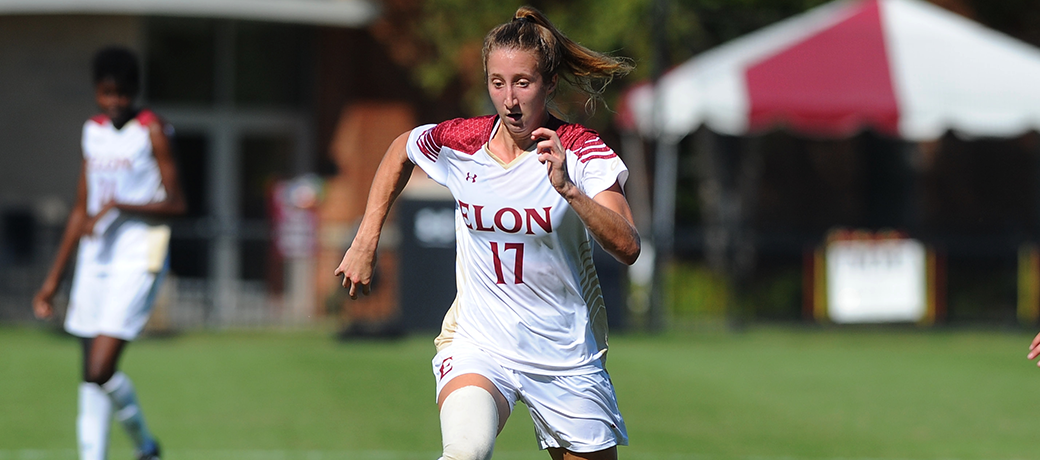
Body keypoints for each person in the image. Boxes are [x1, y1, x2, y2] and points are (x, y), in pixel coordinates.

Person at [335, 6, 638, 460]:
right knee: (465, 452)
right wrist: (366, 239)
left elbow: (628, 245)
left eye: (523, 83)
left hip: (564, 356)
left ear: (550, 83)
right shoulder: (463, 141)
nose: (510, 100)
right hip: (480, 342)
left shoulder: (581, 151)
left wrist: (569, 190)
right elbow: (401, 149)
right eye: (498, 83)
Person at [33, 46, 185, 460]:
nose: (114, 101)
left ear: (134, 91)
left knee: (101, 368)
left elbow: (178, 203)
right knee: (89, 375)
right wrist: (51, 283)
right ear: (97, 91)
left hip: (139, 256)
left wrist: (121, 204)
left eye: (122, 92)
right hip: (94, 259)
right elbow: (81, 210)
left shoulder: (153, 130)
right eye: (106, 92)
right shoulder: (93, 131)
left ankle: (144, 444)